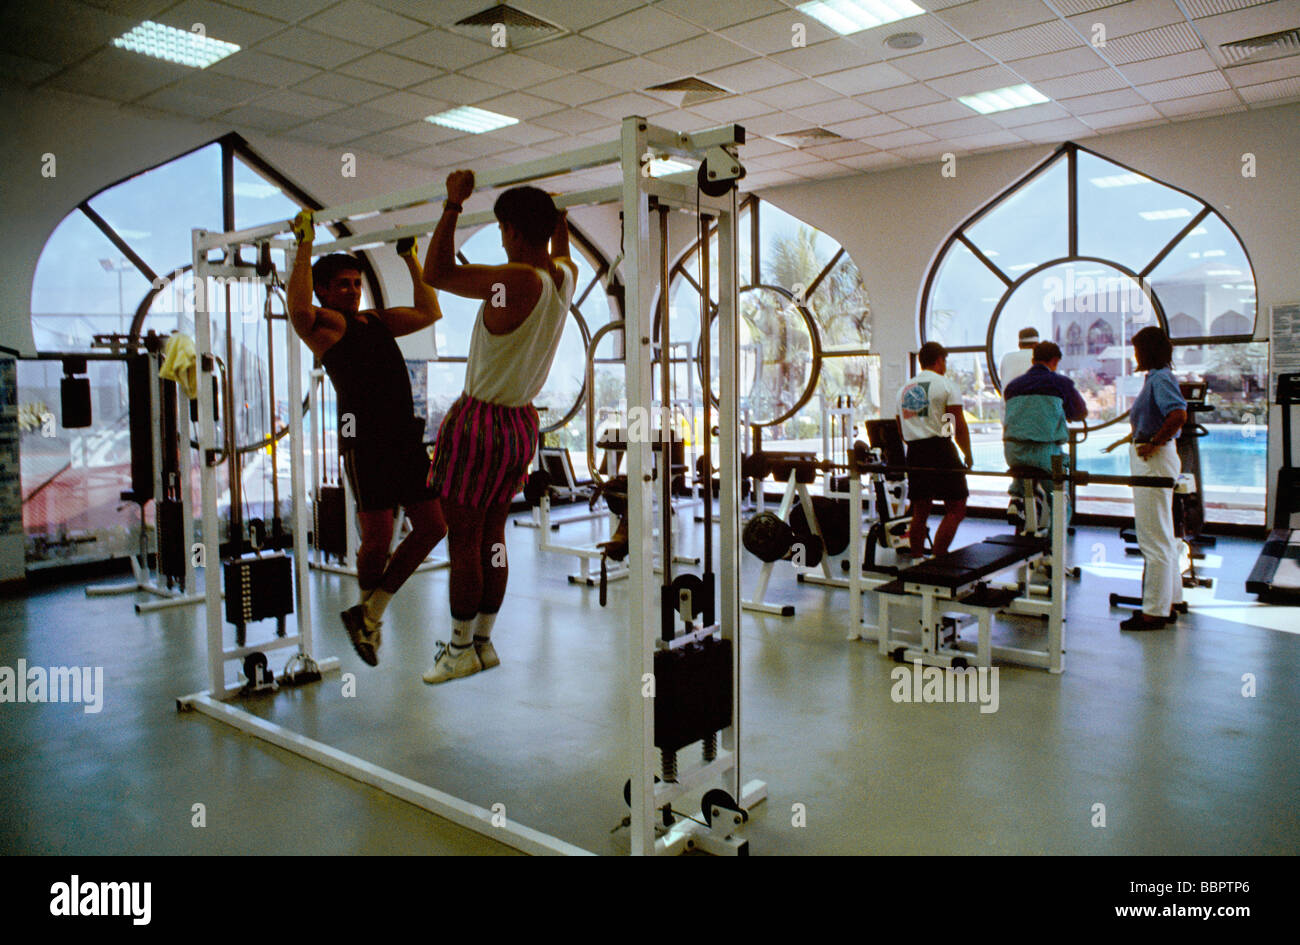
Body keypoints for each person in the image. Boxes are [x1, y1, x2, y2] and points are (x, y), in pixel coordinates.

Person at [420, 170, 576, 683]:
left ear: (509, 230)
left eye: (502, 228)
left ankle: (459, 647)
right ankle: (483, 643)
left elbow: (435, 272)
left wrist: (453, 202)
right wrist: (560, 221)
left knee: (463, 540)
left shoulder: (514, 281)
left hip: (479, 422)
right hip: (519, 425)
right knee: (492, 535)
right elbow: (561, 250)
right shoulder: (561, 278)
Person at [288, 212, 446, 666]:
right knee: (376, 540)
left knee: (434, 527)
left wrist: (410, 259)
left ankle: (368, 614)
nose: (352, 291)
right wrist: (304, 246)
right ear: (322, 290)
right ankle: (368, 616)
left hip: (404, 439)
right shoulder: (326, 326)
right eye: (342, 285)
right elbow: (297, 312)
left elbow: (429, 311)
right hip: (366, 443)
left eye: (356, 283)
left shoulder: (375, 320)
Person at [1104, 326, 1187, 631]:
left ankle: (1154, 612)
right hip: (1154, 460)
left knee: (1152, 539)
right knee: (1163, 537)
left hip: (1153, 462)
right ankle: (1170, 601)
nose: (1135, 355)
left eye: (1138, 349)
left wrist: (1154, 441)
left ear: (1148, 351)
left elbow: (1178, 414)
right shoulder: (1157, 377)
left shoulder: (1161, 378)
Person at [1003, 341, 1088, 534]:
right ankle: (1053, 551)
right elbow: (1080, 412)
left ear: (1033, 360)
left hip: (1013, 453)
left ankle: (1017, 499)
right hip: (1045, 454)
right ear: (1055, 361)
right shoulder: (1060, 383)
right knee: (1059, 500)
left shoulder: (1012, 386)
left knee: (1026, 480)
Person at [897, 341, 973, 557]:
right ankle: (939, 557)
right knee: (957, 507)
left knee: (920, 511)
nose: (945, 365)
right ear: (939, 360)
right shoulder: (946, 386)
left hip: (915, 452)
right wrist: (967, 453)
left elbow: (901, 430)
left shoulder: (905, 389)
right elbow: (955, 424)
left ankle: (917, 561)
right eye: (945, 361)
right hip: (941, 450)